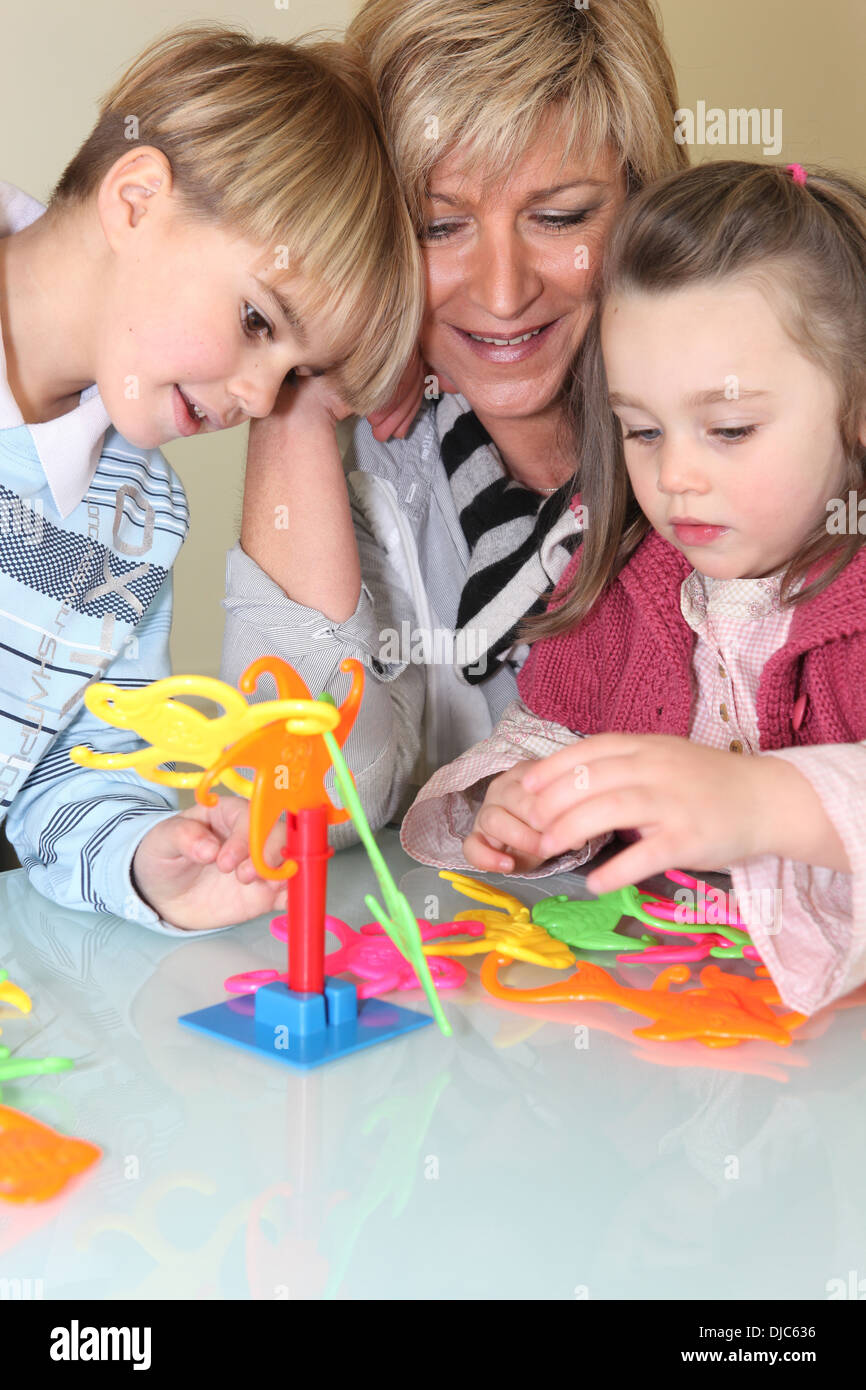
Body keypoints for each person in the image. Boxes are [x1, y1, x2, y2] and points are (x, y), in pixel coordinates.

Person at [401, 160, 866, 1015]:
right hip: (693, 1032)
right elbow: (557, 734)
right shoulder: (625, 589)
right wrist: (522, 804)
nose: (676, 474)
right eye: (642, 430)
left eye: (729, 429)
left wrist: (767, 801)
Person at [220, 0, 687, 844]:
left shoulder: (747, 418)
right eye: (439, 226)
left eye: (560, 217)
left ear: (643, 205)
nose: (503, 293)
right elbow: (296, 809)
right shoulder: (372, 457)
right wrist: (302, 388)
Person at [0, 22, 422, 931]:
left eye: (298, 375)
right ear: (139, 199)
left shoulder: (136, 520)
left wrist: (154, 862)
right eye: (259, 321)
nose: (261, 395)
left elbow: (73, 785)